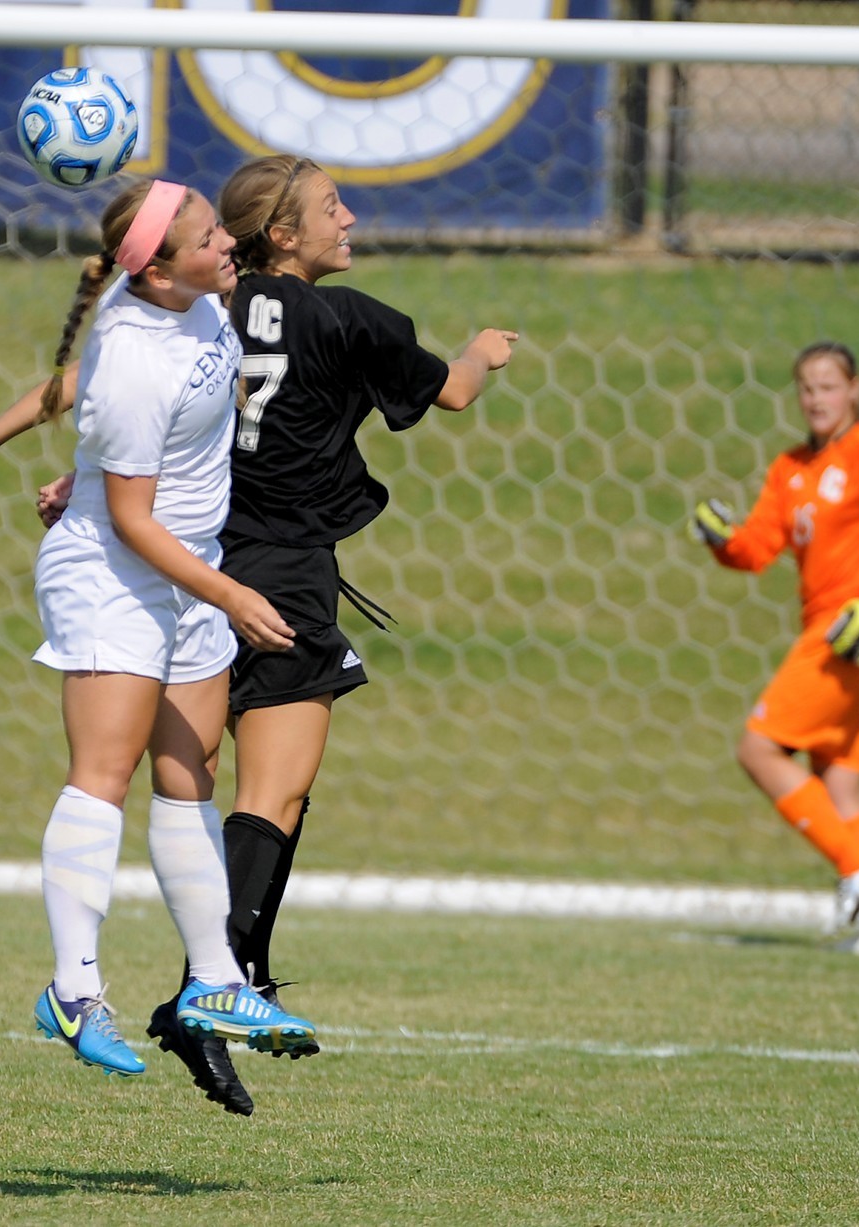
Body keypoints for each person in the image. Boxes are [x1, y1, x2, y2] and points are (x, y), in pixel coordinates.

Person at [130, 154, 516, 1112]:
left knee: (225, 786)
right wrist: (480, 352)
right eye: (332, 206)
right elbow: (453, 396)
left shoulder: (204, 307)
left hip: (194, 558)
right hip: (287, 570)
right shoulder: (348, 320)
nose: (352, 215)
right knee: (277, 788)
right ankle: (210, 987)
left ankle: (226, 984)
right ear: (285, 236)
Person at [0, 179, 319, 1077]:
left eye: (219, 229)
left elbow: (76, 382)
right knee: (103, 775)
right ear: (160, 269)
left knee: (191, 776)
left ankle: (216, 980)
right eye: (208, 237)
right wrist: (229, 593)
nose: (229, 244)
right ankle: (71, 992)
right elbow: (138, 522)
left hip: (184, 569)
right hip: (116, 572)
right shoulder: (143, 354)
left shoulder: (181, 303)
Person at [691, 341, 859, 956]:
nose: (816, 399)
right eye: (806, 387)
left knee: (759, 749)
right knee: (840, 787)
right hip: (856, 644)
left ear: (854, 390)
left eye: (828, 386)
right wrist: (722, 539)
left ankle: (858, 869)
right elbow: (758, 549)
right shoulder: (791, 469)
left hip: (857, 638)